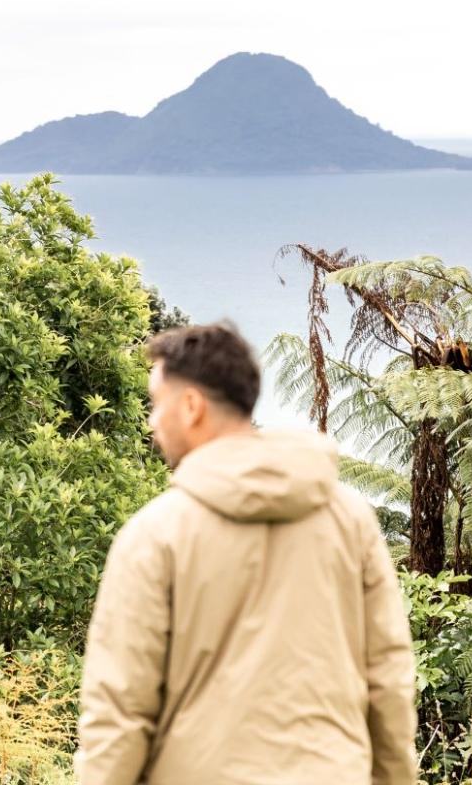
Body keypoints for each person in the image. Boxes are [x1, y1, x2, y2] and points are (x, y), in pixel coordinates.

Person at [75, 322, 417, 785]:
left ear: (191, 406)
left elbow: (120, 708)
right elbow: (388, 676)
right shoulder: (351, 519)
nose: (152, 423)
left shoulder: (155, 534)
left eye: (157, 405)